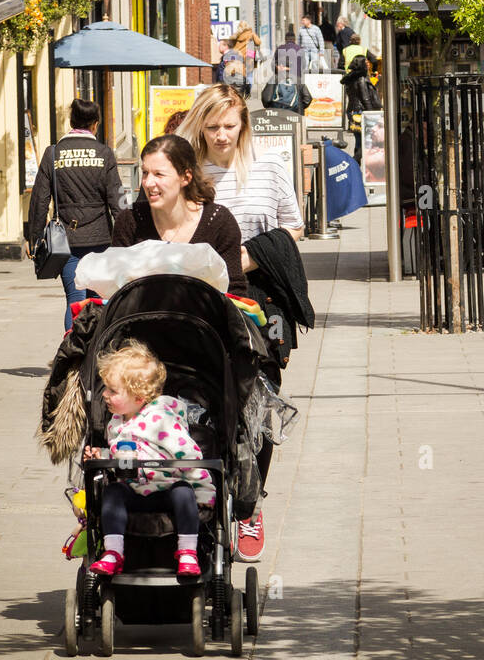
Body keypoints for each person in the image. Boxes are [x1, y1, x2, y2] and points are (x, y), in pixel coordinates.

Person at [177, 84, 313, 563]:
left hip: (257, 296)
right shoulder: (186, 172)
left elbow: (293, 227)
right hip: (200, 295)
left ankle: (250, 505)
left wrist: (249, 258)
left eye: (228, 126)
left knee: (262, 397)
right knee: (197, 396)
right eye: (211, 126)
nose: (220, 135)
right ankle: (200, 497)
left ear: (243, 125)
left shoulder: (269, 167)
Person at [85, 342, 215, 581]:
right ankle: (113, 552)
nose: (105, 394)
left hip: (167, 491)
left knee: (183, 492)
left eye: (112, 391)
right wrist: (102, 457)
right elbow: (121, 455)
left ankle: (187, 551)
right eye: (106, 388)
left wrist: (205, 492)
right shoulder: (116, 422)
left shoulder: (161, 419)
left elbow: (190, 456)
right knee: (113, 491)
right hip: (134, 490)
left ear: (139, 397)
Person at [29, 99, 126, 331]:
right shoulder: (105, 154)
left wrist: (33, 239)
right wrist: (127, 239)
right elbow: (118, 201)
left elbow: (39, 200)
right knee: (98, 301)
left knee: (74, 300)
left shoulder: (52, 154)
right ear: (95, 124)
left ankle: (70, 359)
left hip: (66, 242)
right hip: (101, 241)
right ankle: (94, 354)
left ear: (71, 122)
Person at [111, 134, 248, 295]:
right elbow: (115, 289)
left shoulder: (219, 222)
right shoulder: (130, 221)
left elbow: (235, 292)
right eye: (145, 173)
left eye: (159, 174)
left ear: (185, 177)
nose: (148, 183)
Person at [341, 53, 382, 163]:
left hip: (354, 112)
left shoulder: (350, 79)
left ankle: (356, 166)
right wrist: (372, 114)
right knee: (368, 142)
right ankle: (354, 161)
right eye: (365, 62)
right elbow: (366, 98)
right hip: (362, 112)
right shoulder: (361, 79)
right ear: (361, 64)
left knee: (359, 141)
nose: (368, 64)